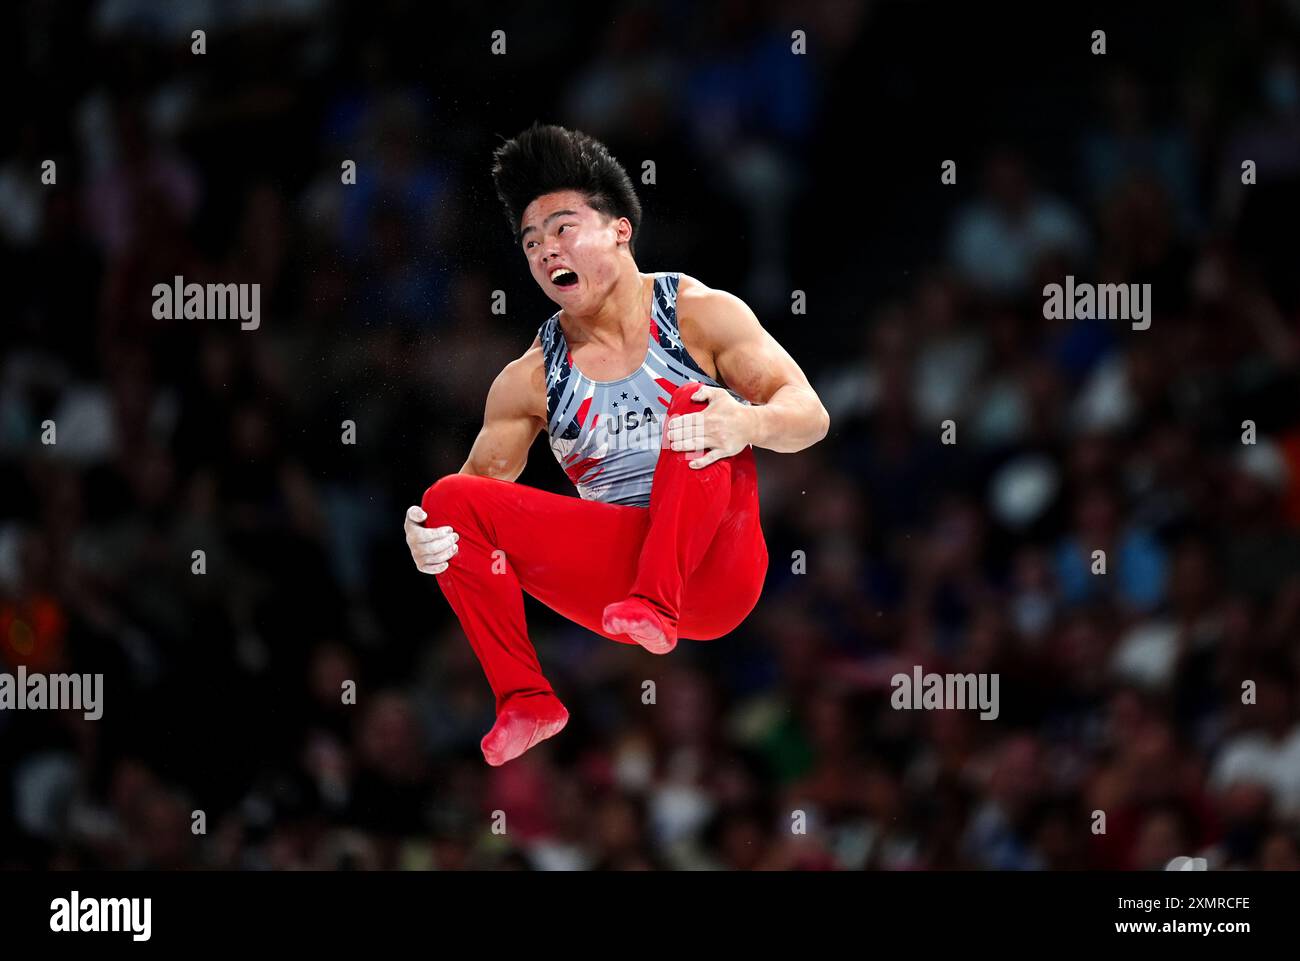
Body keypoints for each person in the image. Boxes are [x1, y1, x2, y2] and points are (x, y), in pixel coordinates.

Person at [404, 124, 829, 765]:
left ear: (620, 230)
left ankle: (659, 596)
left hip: (714, 574)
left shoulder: (700, 314)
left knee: (696, 407)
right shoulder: (528, 380)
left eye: (563, 228)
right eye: (532, 242)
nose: (547, 250)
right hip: (618, 587)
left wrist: (748, 423)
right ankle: (525, 697)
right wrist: (430, 541)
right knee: (447, 502)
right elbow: (475, 509)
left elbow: (810, 415)